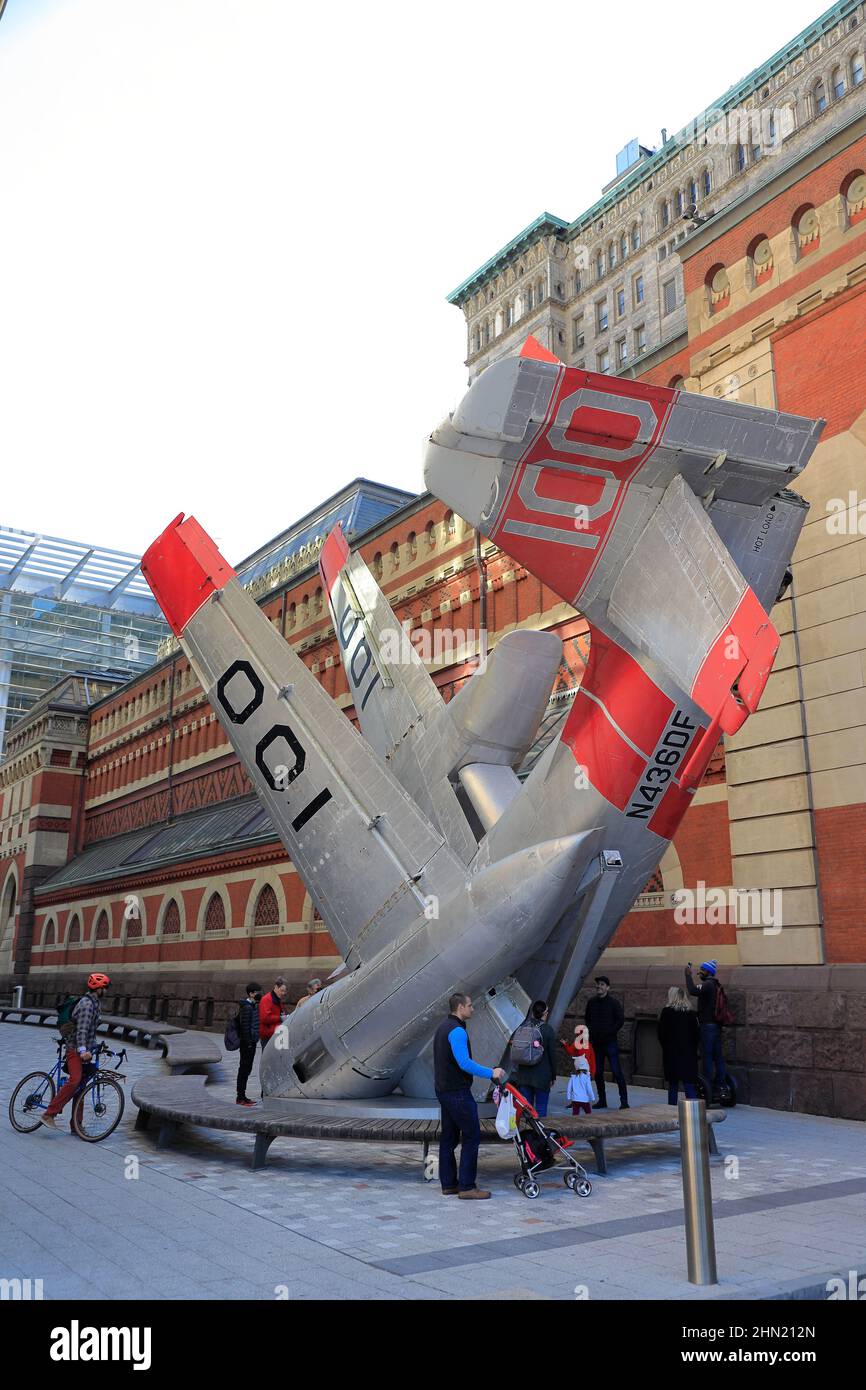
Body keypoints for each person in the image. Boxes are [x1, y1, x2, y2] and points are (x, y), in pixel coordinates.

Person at [434, 991, 505, 1200]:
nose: (472, 1009)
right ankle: (466, 1187)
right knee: (472, 1135)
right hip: (457, 1092)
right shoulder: (457, 1031)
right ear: (460, 1008)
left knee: (448, 1138)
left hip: (444, 1090)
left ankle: (448, 1184)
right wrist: (491, 1072)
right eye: (470, 1005)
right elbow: (464, 1063)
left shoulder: (442, 1028)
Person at [40, 973, 110, 1129]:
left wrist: (95, 1047)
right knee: (75, 1080)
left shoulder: (95, 1003)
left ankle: (76, 1124)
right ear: (99, 989)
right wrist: (83, 1050)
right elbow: (82, 1031)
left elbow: (90, 1030)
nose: (107, 990)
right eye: (105, 987)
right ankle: (48, 1114)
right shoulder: (87, 1005)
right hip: (75, 1048)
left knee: (81, 1085)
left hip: (84, 1049)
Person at [585, 975, 629, 1110]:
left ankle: (624, 1101)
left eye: (602, 984)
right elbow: (587, 1019)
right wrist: (592, 1032)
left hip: (610, 1043)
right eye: (598, 984)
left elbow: (620, 1020)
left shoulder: (614, 1003)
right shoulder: (591, 1002)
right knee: (597, 1072)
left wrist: (610, 1031)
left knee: (617, 1072)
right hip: (597, 1044)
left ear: (607, 988)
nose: (599, 986)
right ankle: (602, 1100)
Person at [685, 960, 729, 1090]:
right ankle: (721, 1084)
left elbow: (692, 990)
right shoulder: (716, 985)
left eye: (702, 971)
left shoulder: (708, 985)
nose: (700, 973)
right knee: (718, 1056)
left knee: (707, 1056)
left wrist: (687, 975)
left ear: (709, 972)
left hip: (707, 1026)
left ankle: (708, 1084)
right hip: (716, 1025)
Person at [509, 1000, 558, 1116]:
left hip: (524, 1076)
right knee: (541, 1111)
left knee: (526, 1110)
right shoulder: (548, 1030)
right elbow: (552, 1055)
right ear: (544, 1013)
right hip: (542, 1077)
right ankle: (540, 1133)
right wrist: (553, 1075)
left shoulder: (522, 1026)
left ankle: (528, 1133)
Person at [657, 986, 700, 1105]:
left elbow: (661, 1034)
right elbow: (697, 1035)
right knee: (689, 1086)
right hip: (688, 1054)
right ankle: (694, 1115)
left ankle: (672, 1115)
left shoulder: (666, 1013)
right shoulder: (691, 1013)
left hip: (672, 1054)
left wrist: (666, 1047)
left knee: (673, 1085)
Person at [561, 1023, 596, 1116]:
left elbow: (570, 1051)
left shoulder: (577, 1044)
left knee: (576, 1086)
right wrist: (592, 1071)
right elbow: (592, 1059)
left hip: (579, 1070)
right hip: (586, 1070)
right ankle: (583, 1103)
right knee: (584, 1087)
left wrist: (565, 1045)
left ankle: (576, 1102)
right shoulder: (588, 1045)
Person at [236, 982, 262, 1107]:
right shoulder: (246, 1007)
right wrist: (249, 1043)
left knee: (247, 1069)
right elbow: (245, 1027)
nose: (259, 994)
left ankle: (243, 1096)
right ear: (251, 993)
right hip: (247, 1044)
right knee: (244, 1069)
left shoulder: (253, 1006)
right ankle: (240, 1097)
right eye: (257, 992)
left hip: (252, 1042)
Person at [259, 977, 288, 1051]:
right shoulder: (267, 999)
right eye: (282, 990)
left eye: (284, 991)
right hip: (269, 1036)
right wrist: (280, 1018)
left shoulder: (277, 999)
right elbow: (265, 1018)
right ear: (276, 987)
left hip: (276, 1034)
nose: (283, 993)